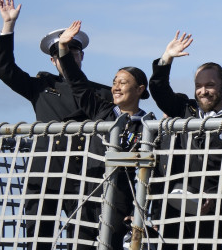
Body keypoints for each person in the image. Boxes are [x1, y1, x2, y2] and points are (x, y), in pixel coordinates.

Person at [0, 0, 110, 246]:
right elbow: (6, 71)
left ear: (81, 56)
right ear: (52, 60)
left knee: (84, 242)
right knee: (38, 241)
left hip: (85, 177)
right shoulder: (41, 87)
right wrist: (8, 26)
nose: (66, 57)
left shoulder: (102, 93)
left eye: (72, 51)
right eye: (60, 53)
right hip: (44, 176)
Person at [55, 21, 155, 249]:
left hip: (121, 203)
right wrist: (63, 49)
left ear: (139, 89)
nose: (116, 88)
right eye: (114, 83)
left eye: (123, 83)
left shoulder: (148, 125)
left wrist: (139, 210)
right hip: (87, 197)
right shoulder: (102, 111)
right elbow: (78, 84)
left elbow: (153, 174)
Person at [147, 31, 222, 250]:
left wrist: (215, 193)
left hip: (214, 207)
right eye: (198, 85)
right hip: (175, 206)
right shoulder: (184, 109)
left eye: (209, 85)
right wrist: (166, 59)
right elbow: (159, 91)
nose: (203, 91)